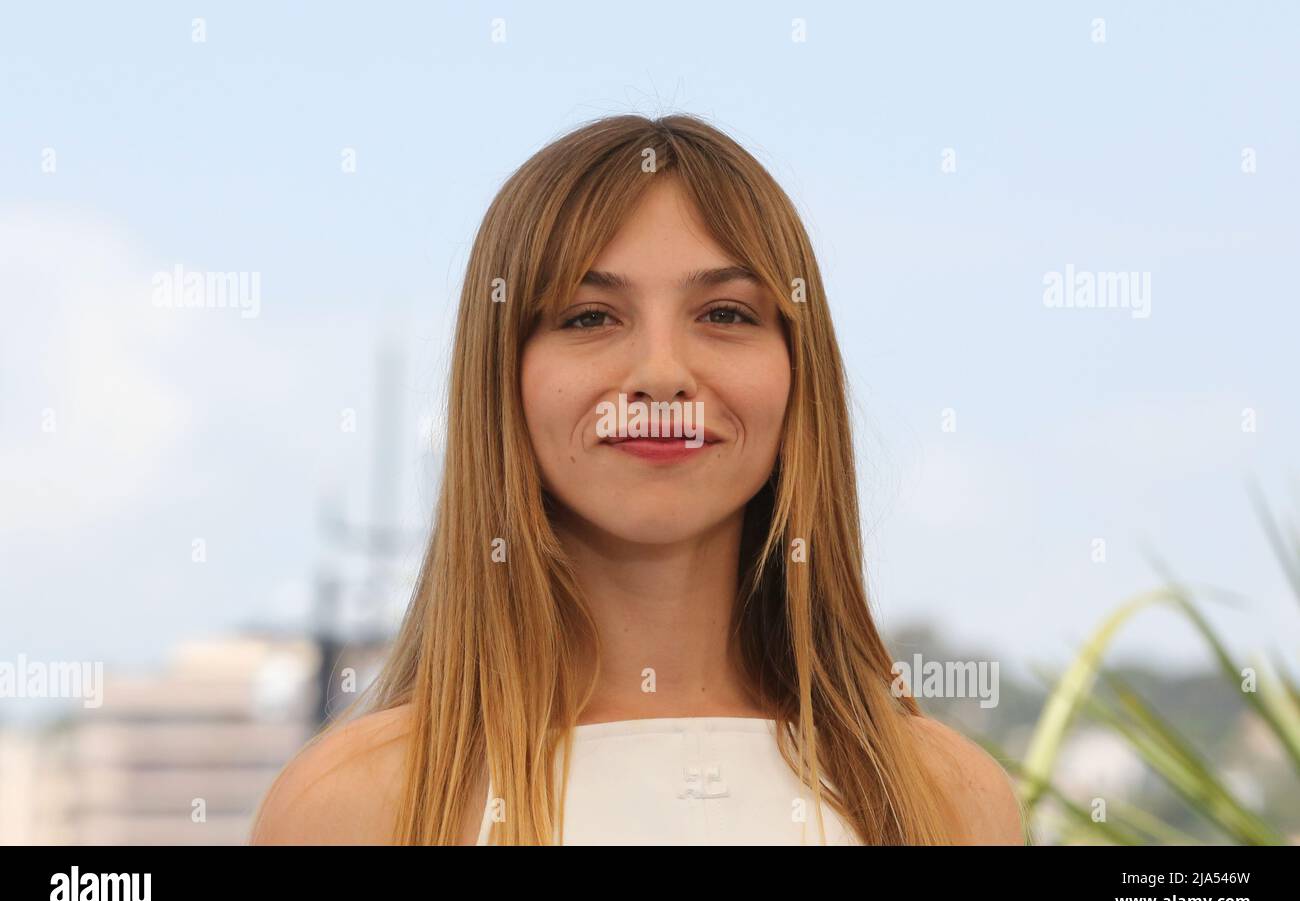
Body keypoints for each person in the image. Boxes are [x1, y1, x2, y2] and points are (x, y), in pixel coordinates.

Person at [249, 114, 1026, 845]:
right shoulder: (352, 806)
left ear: (799, 376)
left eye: (725, 314)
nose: (661, 373)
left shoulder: (949, 798)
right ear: (502, 384)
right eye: (589, 316)